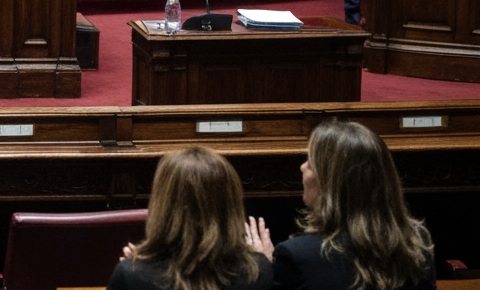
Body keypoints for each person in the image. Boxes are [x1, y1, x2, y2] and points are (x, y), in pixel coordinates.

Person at [245, 121, 434, 290]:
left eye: (310, 163)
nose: (302, 167)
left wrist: (264, 268)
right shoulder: (418, 242)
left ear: (329, 183)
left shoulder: (297, 257)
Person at [109, 147, 271, 290]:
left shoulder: (131, 275)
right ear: (231, 205)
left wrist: (135, 270)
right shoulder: (258, 272)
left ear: (162, 204)